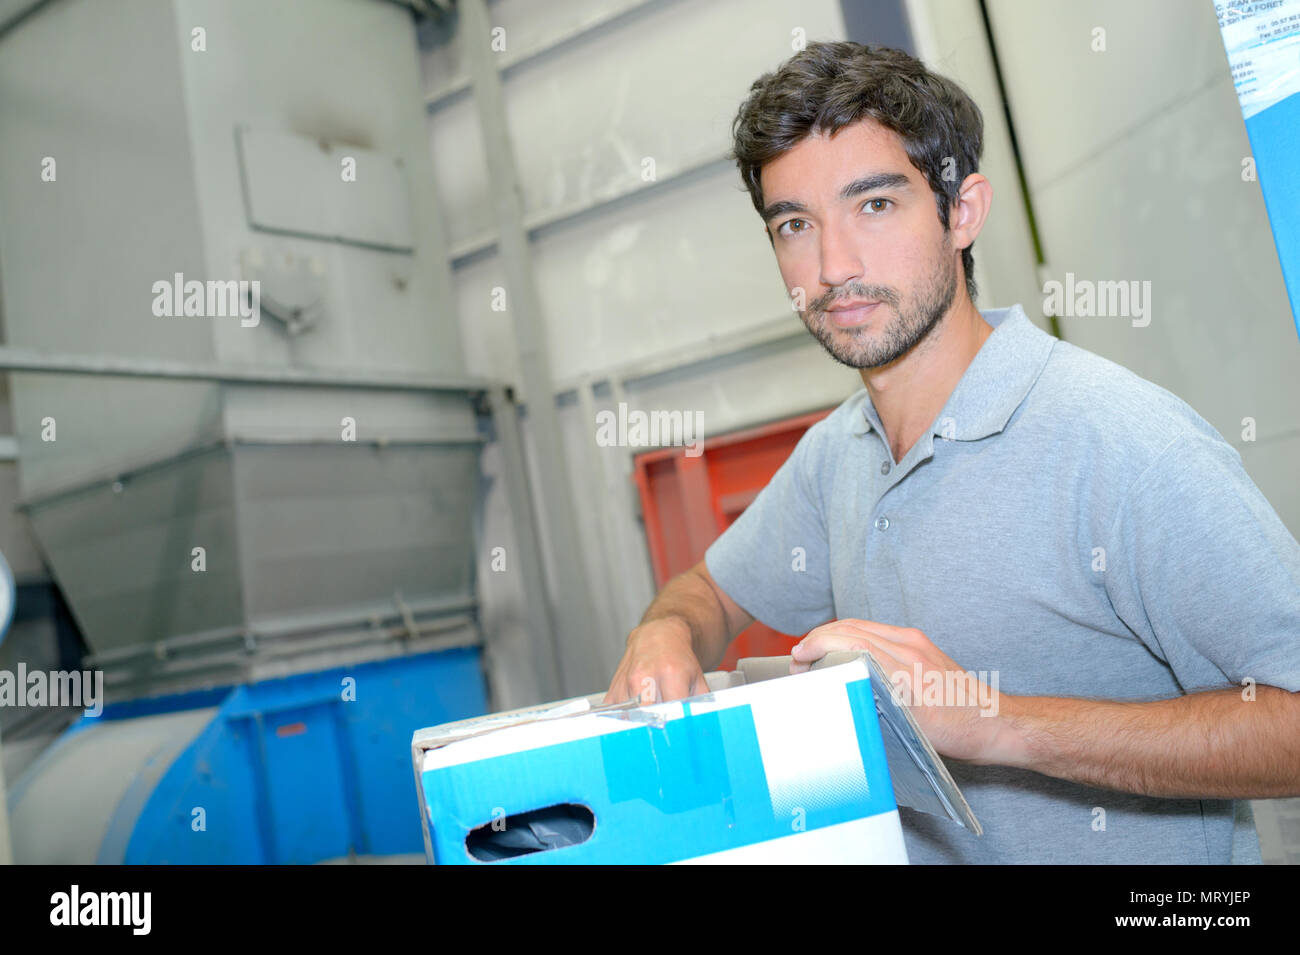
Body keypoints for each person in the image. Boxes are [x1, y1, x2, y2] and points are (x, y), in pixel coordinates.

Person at [602, 41, 1300, 864]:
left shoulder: (1121, 442)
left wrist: (991, 722)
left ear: (962, 211)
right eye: (795, 224)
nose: (832, 267)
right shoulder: (839, 456)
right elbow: (708, 593)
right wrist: (665, 634)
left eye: (875, 205)